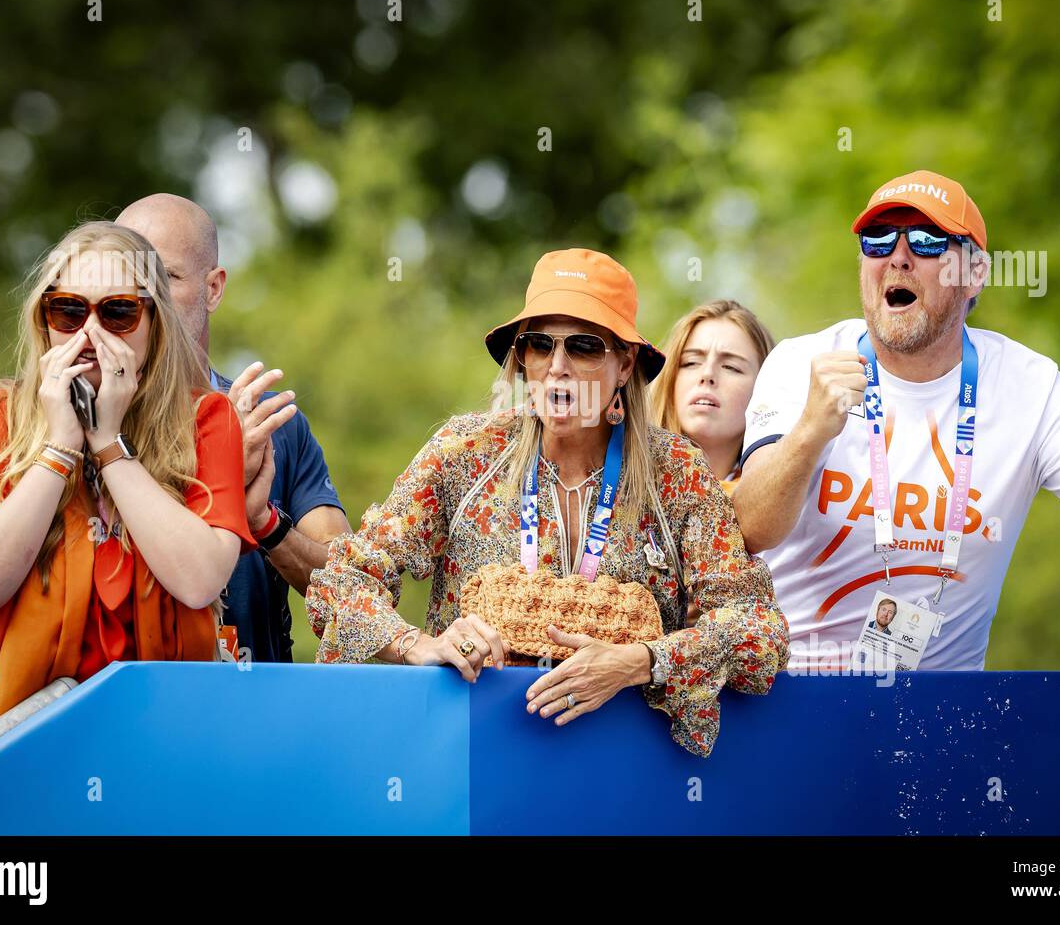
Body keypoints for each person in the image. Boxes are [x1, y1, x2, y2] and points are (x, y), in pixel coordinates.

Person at [305, 248, 788, 756]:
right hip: (469, 762)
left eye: (582, 346)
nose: (557, 367)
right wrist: (421, 647)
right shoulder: (466, 451)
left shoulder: (678, 473)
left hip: (627, 769)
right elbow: (342, 580)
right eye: (538, 344)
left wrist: (640, 661)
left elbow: (758, 630)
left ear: (624, 364)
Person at [733, 170, 1060, 672]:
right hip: (789, 694)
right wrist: (809, 433)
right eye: (878, 239)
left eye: (927, 242)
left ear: (974, 274)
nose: (898, 256)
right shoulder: (803, 364)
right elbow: (750, 529)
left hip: (940, 721)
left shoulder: (1029, 386)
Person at [0, 221, 255, 760]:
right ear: (44, 320)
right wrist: (59, 447)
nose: (90, 333)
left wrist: (108, 443)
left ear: (155, 324)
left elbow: (199, 580)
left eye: (117, 312)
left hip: (157, 741)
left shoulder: (208, 420)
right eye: (69, 311)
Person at [116, 194, 350, 662]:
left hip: (256, 711)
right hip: (129, 702)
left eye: (166, 277)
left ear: (214, 288)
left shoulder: (272, 423)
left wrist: (264, 522)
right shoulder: (92, 419)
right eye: (129, 280)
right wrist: (219, 471)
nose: (145, 299)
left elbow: (349, 584)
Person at [649, 299, 775, 495]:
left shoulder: (786, 501)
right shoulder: (619, 473)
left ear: (764, 388)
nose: (707, 374)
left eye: (731, 367)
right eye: (690, 362)